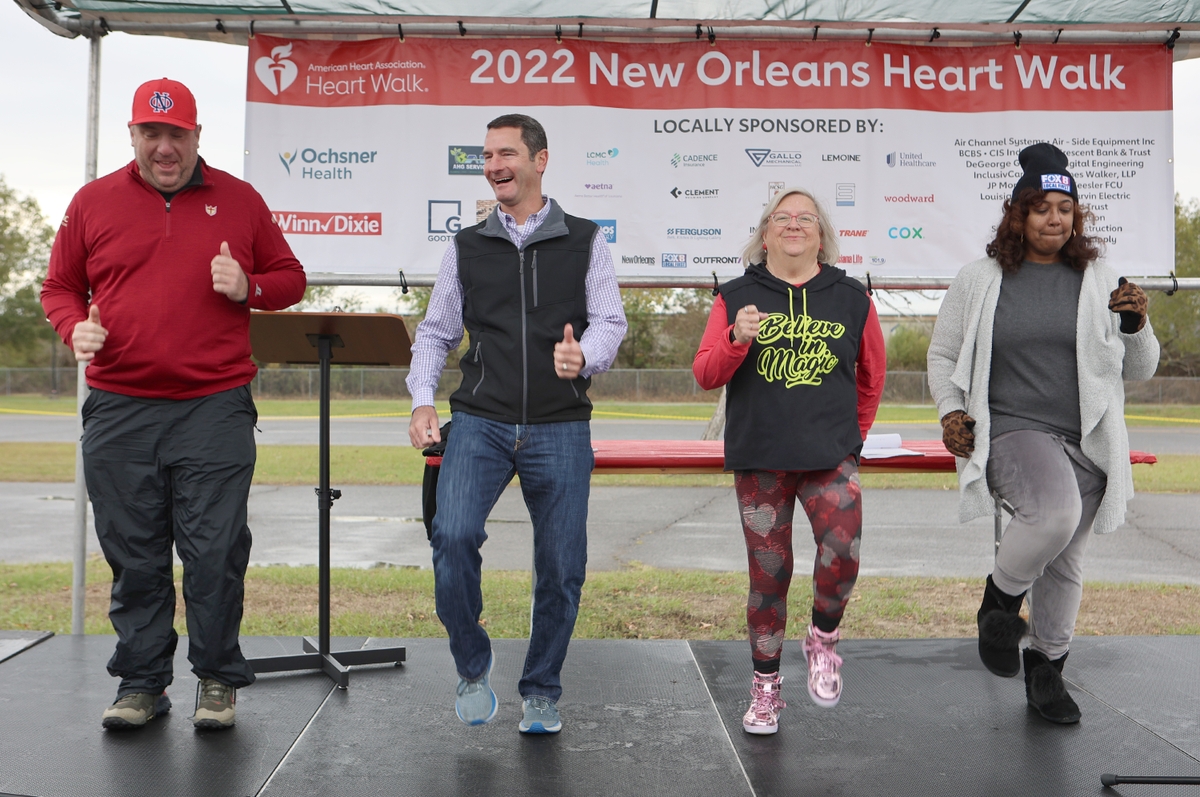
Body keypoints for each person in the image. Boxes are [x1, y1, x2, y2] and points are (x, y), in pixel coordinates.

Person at [40, 78, 307, 731]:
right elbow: (59, 287)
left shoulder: (240, 200)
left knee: (215, 552)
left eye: (176, 134)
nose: (164, 147)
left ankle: (216, 680)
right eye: (151, 133)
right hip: (119, 407)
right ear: (132, 135)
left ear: (196, 136)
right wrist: (74, 328)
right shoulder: (91, 202)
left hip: (213, 405)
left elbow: (290, 278)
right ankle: (142, 683)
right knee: (134, 555)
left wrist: (248, 285)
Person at [406, 114, 627, 734]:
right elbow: (436, 332)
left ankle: (541, 690)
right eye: (487, 156)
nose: (494, 165)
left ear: (540, 160)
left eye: (506, 153)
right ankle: (473, 666)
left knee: (561, 567)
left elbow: (610, 322)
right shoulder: (466, 246)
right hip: (480, 420)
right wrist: (422, 400)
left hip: (561, 427)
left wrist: (585, 355)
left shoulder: (585, 240)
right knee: (451, 538)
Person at [928, 143, 1159, 724]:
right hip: (1013, 430)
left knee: (1065, 562)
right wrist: (951, 410)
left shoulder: (1099, 278)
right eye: (1041, 208)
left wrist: (1137, 325)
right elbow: (943, 354)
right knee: (1053, 516)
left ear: (1076, 216)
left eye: (1065, 208)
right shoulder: (981, 279)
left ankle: (1047, 672)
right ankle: (999, 606)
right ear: (1018, 214)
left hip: (1088, 443)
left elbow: (1140, 369)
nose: (1054, 219)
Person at [693, 188, 886, 735]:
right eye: (782, 217)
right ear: (766, 233)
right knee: (768, 577)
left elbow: (872, 375)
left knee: (843, 549)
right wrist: (736, 338)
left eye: (805, 218)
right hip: (762, 460)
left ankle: (823, 638)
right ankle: (765, 688)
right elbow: (705, 373)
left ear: (821, 234)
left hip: (829, 457)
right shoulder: (736, 295)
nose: (794, 224)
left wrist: (853, 438)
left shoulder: (852, 297)